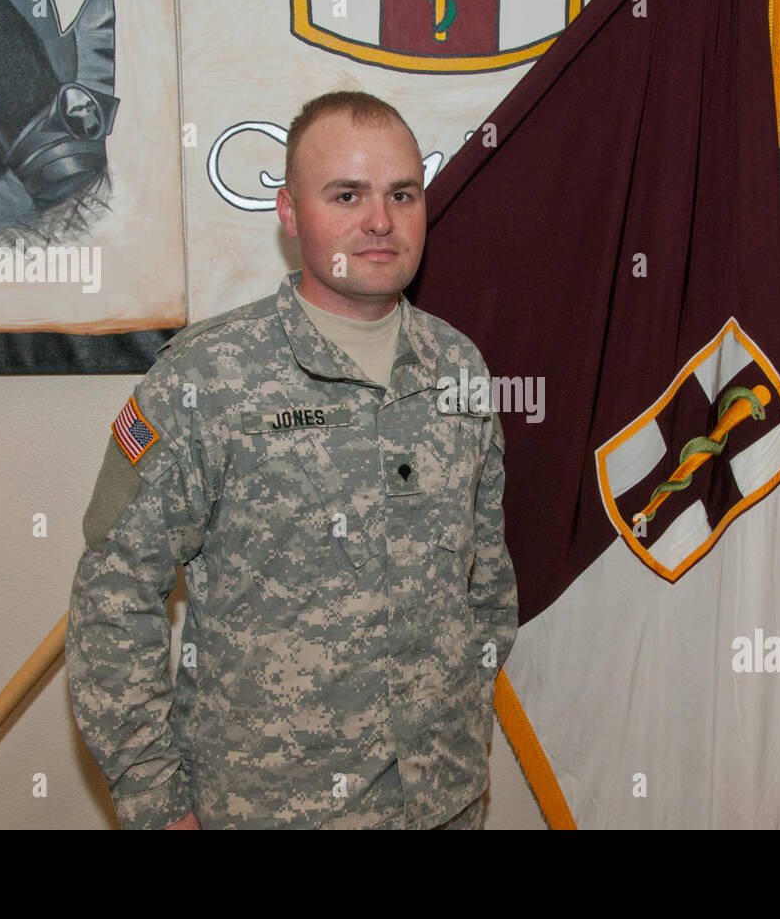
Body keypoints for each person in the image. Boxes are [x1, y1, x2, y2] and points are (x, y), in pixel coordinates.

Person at [66, 90, 517, 829]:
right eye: (347, 194)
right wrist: (158, 802)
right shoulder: (206, 378)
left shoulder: (458, 367)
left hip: (442, 805)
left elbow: (488, 586)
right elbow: (113, 597)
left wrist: (464, 734)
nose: (380, 220)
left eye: (402, 194)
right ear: (288, 211)